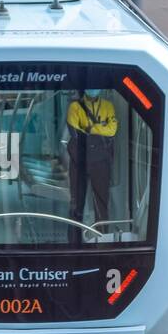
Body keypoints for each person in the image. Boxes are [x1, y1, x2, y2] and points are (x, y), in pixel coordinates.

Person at [65, 89, 118, 236]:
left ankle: (103, 239)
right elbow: (76, 134)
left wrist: (90, 128)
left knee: (102, 203)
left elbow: (112, 130)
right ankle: (74, 241)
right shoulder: (74, 107)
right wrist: (101, 127)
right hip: (79, 160)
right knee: (76, 203)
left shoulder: (108, 106)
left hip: (101, 161)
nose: (93, 90)